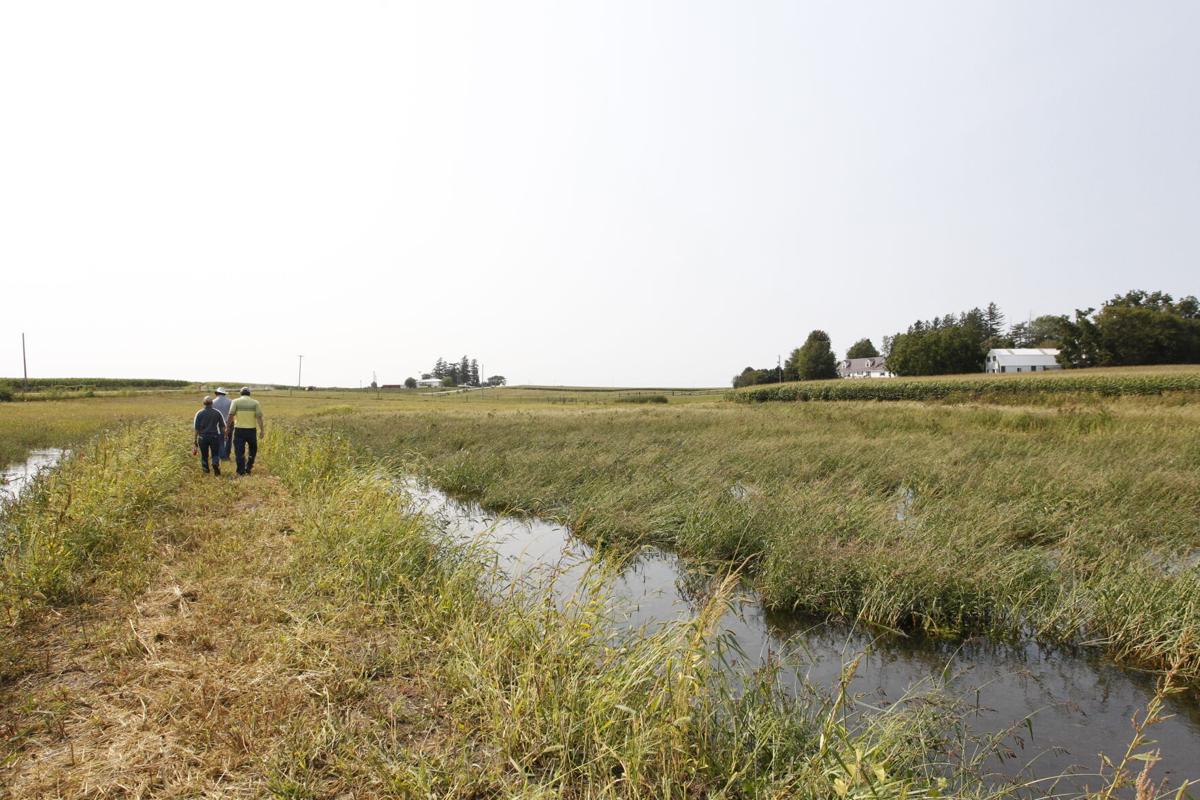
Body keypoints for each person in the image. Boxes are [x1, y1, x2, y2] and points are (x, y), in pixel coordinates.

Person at [226, 386, 265, 476]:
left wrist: (227, 428)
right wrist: (262, 430)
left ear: (241, 393)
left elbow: (231, 415)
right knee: (252, 449)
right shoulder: (255, 403)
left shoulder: (235, 401)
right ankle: (248, 468)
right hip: (251, 430)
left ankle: (240, 471)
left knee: (239, 451)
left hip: (239, 430)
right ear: (249, 394)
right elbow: (259, 417)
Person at [193, 396, 226, 475]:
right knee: (215, 453)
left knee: (204, 455)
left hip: (202, 437)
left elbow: (196, 428)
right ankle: (215, 463)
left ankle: (206, 471)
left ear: (203, 403)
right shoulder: (217, 412)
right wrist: (224, 435)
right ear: (212, 403)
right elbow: (222, 426)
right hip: (214, 436)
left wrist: (195, 439)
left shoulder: (199, 413)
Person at [212, 387, 233, 463]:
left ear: (216, 393)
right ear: (224, 394)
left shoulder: (213, 402)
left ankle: (222, 456)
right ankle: (227, 455)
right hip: (229, 422)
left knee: (220, 439)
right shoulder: (231, 401)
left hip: (218, 423)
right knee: (229, 439)